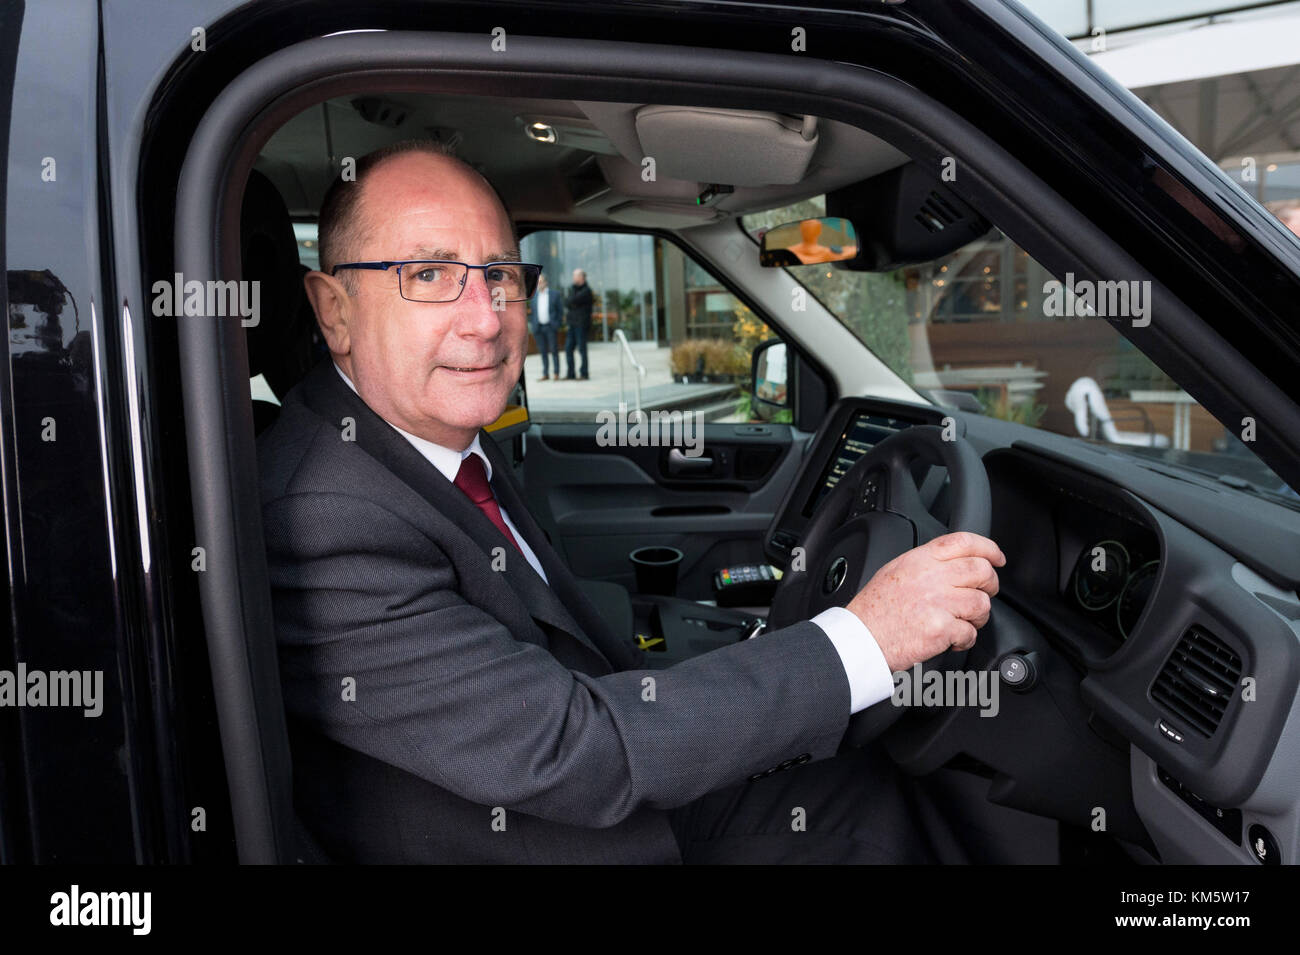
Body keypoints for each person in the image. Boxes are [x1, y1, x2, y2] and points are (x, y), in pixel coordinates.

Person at [259, 139, 1006, 863]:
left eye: (500, 273)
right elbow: (571, 748)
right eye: (428, 274)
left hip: (582, 800)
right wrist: (864, 639)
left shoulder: (430, 432)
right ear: (335, 310)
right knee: (870, 816)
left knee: (862, 788)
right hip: (557, 828)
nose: (485, 318)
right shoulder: (327, 511)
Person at [528, 272, 562, 380]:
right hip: (538, 328)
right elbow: (532, 312)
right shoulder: (533, 296)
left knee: (554, 350)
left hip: (550, 327)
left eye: (541, 281)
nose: (539, 284)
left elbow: (560, 311)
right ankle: (545, 373)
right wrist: (533, 324)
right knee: (542, 351)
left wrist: (557, 324)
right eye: (538, 282)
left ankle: (556, 373)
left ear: (546, 282)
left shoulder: (554, 295)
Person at [563, 268, 592, 380]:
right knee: (568, 349)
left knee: (582, 349)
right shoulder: (573, 289)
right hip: (572, 324)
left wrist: (572, 302)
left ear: (581, 277)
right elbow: (567, 302)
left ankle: (584, 373)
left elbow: (572, 301)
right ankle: (571, 374)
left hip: (581, 325)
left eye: (575, 276)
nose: (573, 278)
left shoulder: (587, 291)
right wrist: (572, 302)